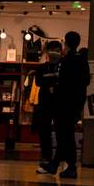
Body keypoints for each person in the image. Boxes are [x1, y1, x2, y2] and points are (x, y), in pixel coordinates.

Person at [53, 31, 90, 178]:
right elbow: (86, 80)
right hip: (76, 103)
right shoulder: (82, 60)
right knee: (66, 135)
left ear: (66, 42)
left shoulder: (67, 60)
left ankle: (70, 165)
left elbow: (62, 83)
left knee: (65, 135)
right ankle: (56, 163)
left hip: (65, 104)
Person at [35, 40, 64, 174]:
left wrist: (50, 78)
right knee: (44, 132)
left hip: (59, 103)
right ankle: (46, 158)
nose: (55, 53)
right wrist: (52, 78)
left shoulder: (64, 66)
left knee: (61, 132)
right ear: (47, 51)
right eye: (52, 50)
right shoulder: (41, 67)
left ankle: (60, 159)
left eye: (57, 50)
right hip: (45, 102)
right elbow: (39, 82)